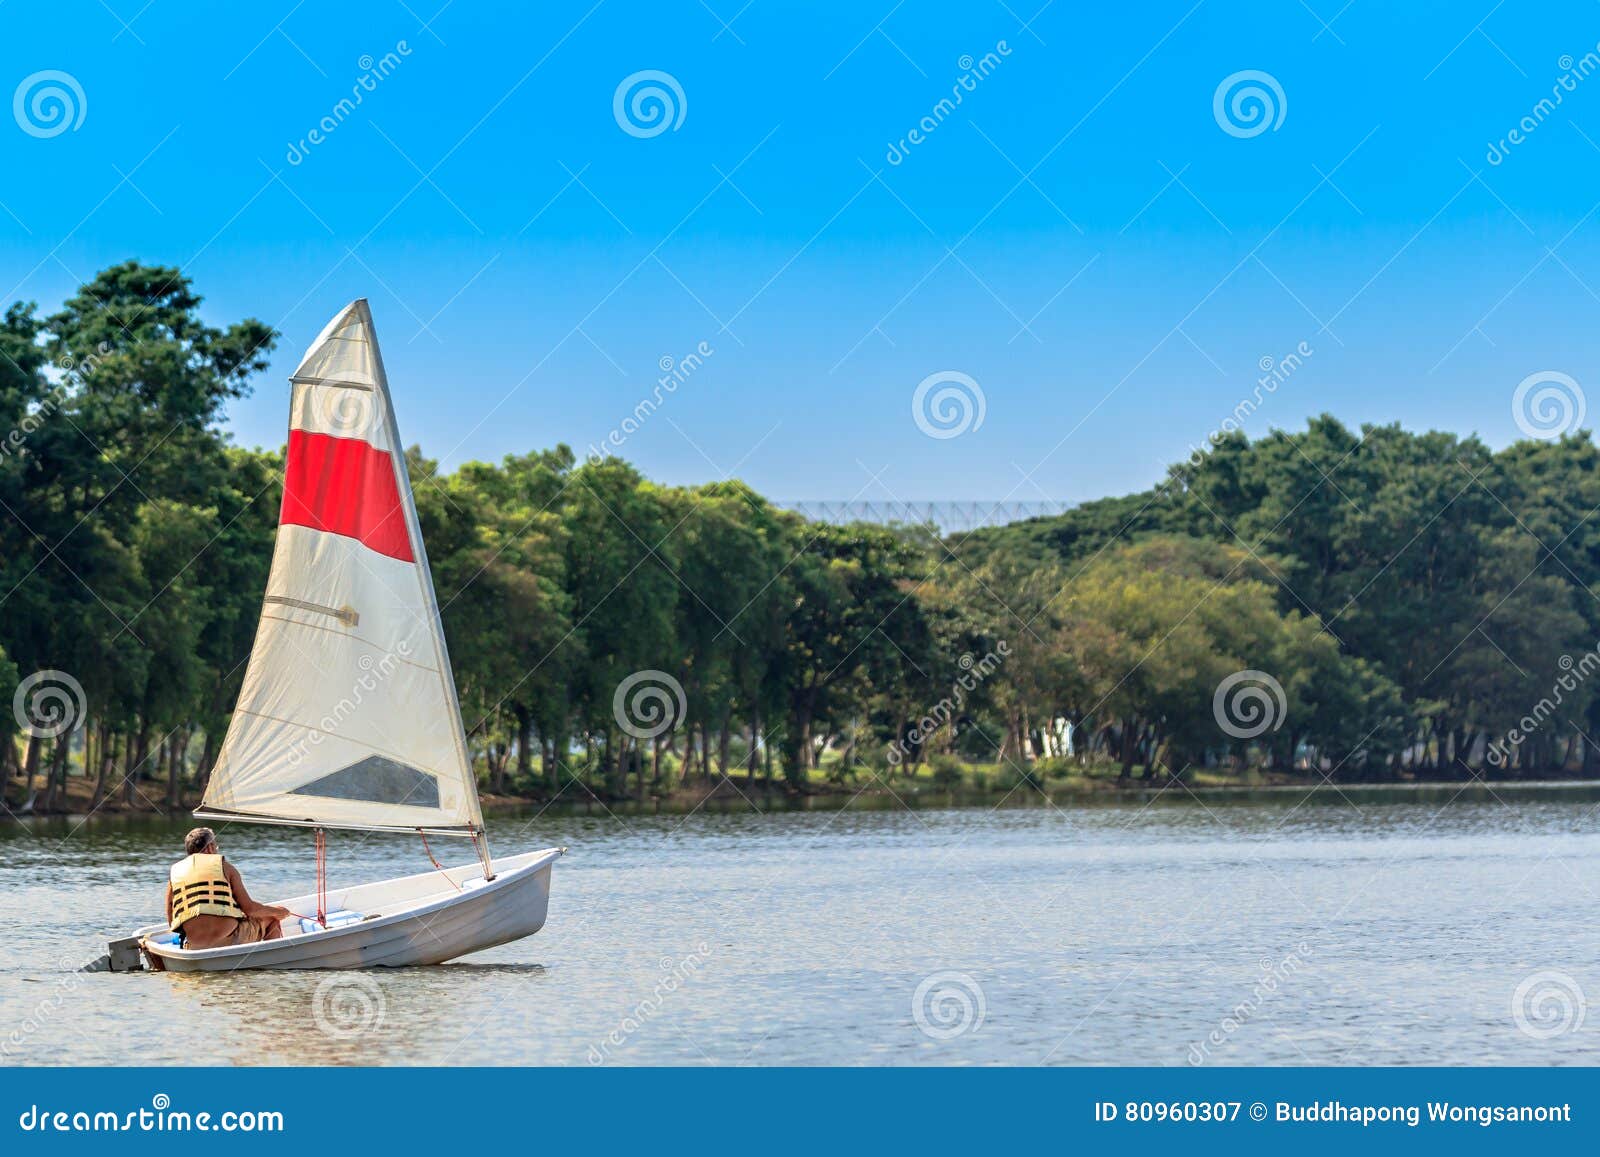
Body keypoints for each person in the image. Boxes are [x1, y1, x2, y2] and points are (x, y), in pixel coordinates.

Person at [164, 827, 290, 949]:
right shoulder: (225, 867)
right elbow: (250, 909)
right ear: (210, 847)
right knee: (272, 919)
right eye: (216, 846)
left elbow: (171, 920)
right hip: (230, 940)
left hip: (194, 946)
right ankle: (273, 962)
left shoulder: (175, 872)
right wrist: (278, 912)